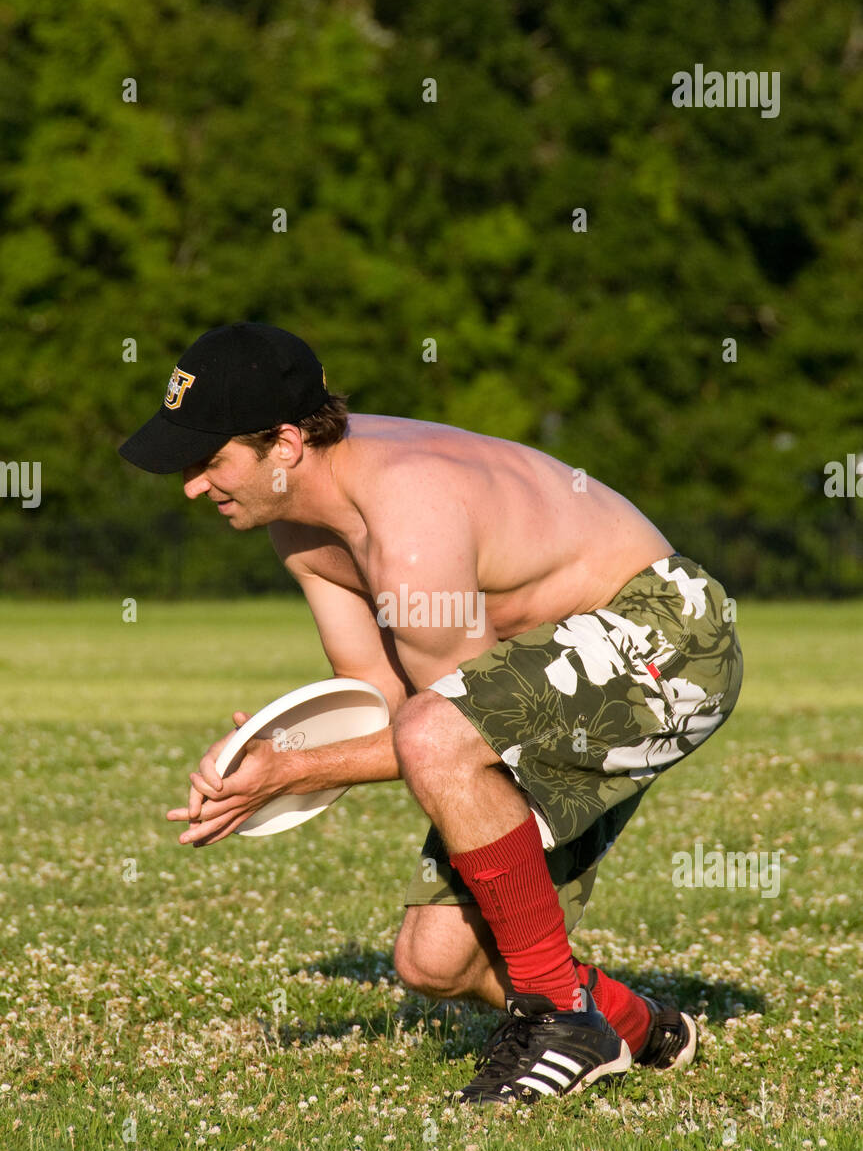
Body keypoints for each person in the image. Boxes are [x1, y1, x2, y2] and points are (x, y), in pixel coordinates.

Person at [119, 322, 743, 1106]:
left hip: (673, 639)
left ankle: (558, 1020)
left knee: (436, 735)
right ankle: (637, 1026)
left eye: (209, 461)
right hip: (552, 665)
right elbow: (375, 693)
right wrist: (267, 750)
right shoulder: (302, 526)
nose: (191, 486)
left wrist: (296, 773)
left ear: (283, 444)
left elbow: (443, 730)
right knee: (434, 963)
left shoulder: (407, 522)